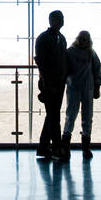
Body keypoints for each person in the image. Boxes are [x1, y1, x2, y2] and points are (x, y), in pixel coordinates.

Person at [58, 30, 101, 162]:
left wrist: (97, 87)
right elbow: (98, 70)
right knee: (72, 115)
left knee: (85, 116)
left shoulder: (87, 53)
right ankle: (73, 146)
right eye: (82, 38)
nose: (83, 41)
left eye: (85, 39)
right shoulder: (76, 52)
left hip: (82, 87)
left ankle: (79, 146)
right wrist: (97, 86)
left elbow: (97, 70)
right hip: (77, 87)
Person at [33, 10, 68, 159]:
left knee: (52, 115)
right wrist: (46, 83)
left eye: (62, 18)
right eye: (59, 18)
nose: (61, 21)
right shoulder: (48, 38)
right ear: (51, 20)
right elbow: (41, 62)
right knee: (54, 116)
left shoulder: (57, 38)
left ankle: (43, 146)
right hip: (50, 82)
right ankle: (56, 148)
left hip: (58, 82)